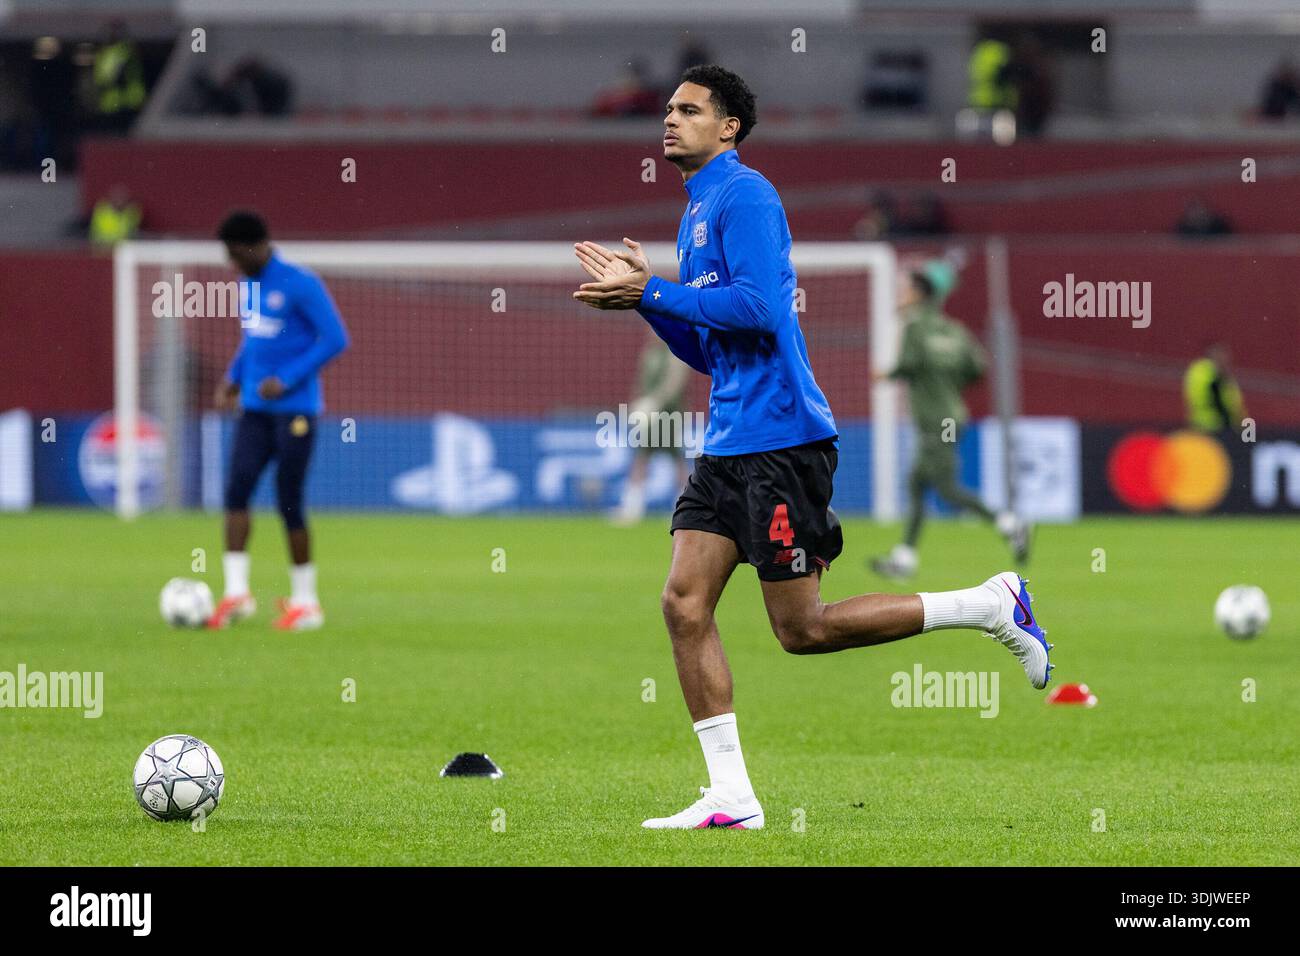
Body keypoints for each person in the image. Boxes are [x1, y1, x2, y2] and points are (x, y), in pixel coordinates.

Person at [572, 65, 1052, 831]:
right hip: (729, 441)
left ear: (728, 127)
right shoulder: (697, 210)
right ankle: (731, 796)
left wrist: (653, 291)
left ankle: (990, 604)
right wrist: (648, 305)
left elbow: (761, 312)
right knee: (683, 603)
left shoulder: (747, 195)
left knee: (803, 630)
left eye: (689, 109)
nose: (669, 119)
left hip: (782, 442)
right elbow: (713, 352)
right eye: (667, 109)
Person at [208, 211, 350, 631]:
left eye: (235, 254)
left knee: (289, 500)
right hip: (255, 409)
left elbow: (337, 339)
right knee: (236, 492)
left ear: (256, 246)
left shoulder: (301, 283)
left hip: (296, 411)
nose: (231, 263)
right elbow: (253, 340)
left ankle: (307, 603)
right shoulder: (246, 283)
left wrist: (287, 378)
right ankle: (236, 594)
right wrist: (233, 378)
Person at [870, 261, 1029, 581]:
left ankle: (1010, 523)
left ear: (917, 294)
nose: (899, 295)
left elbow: (909, 364)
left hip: (933, 420)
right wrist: (947, 383)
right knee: (918, 482)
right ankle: (905, 558)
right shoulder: (953, 329)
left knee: (946, 488)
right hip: (952, 414)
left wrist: (885, 374)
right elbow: (978, 367)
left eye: (904, 289)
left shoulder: (914, 327)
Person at [611, 329, 691, 526]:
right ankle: (632, 507)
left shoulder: (676, 353)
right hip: (649, 417)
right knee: (642, 456)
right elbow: (641, 383)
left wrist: (654, 402)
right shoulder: (649, 354)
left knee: (676, 458)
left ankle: (685, 508)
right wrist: (637, 404)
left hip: (670, 414)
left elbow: (674, 384)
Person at [1184, 343, 1246, 433]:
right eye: (1222, 354)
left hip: (1221, 426)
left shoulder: (1222, 374)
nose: (1225, 358)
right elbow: (1218, 400)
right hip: (1210, 426)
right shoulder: (1206, 372)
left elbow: (1234, 403)